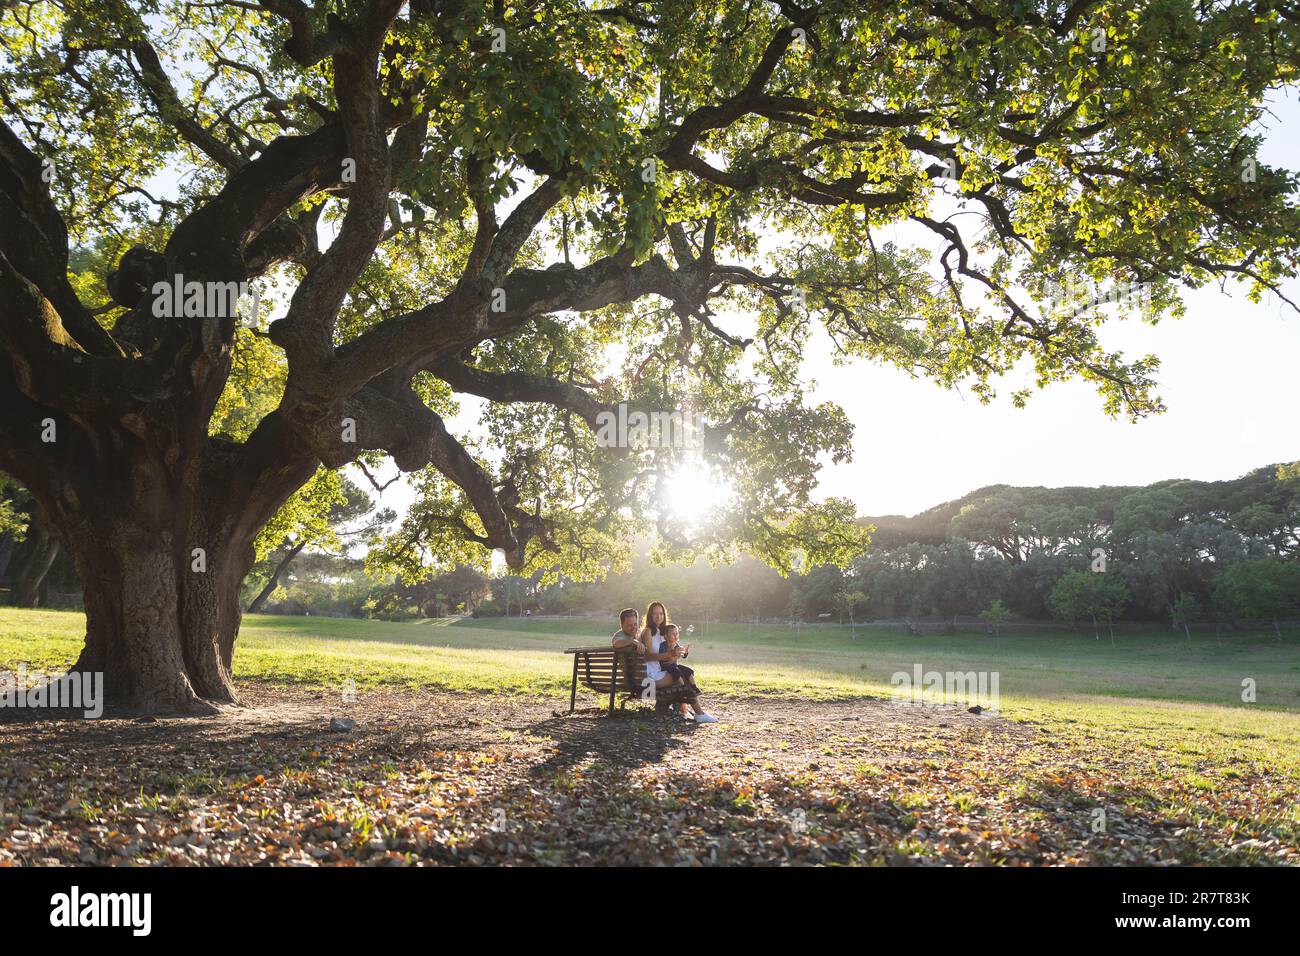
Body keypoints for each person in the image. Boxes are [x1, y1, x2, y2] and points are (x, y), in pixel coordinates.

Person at [640, 601, 716, 724]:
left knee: (686, 672)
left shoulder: (662, 632)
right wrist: (669, 654)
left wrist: (676, 654)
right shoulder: (648, 631)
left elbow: (666, 656)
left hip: (661, 670)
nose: (658, 616)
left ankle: (686, 709)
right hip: (651, 675)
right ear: (649, 615)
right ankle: (697, 713)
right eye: (655, 614)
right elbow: (648, 656)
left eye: (661, 614)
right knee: (681, 677)